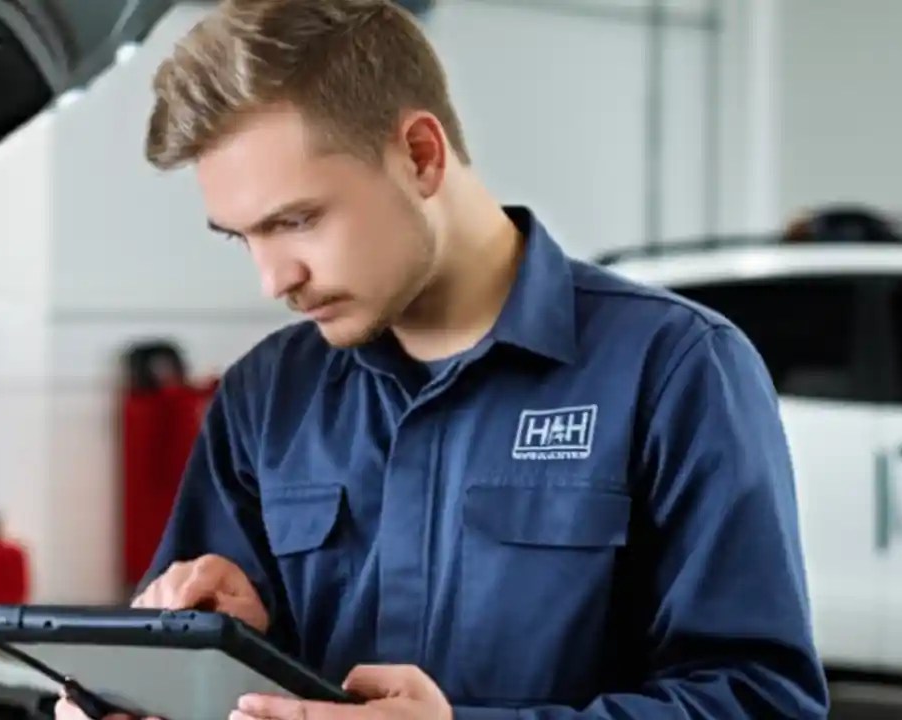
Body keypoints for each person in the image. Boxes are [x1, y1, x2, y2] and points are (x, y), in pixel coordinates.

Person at [59, 0, 830, 717]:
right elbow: (219, 682)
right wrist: (166, 680)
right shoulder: (266, 395)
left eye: (296, 220)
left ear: (421, 156)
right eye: (242, 237)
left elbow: (762, 699)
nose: (273, 279)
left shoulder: (674, 369)